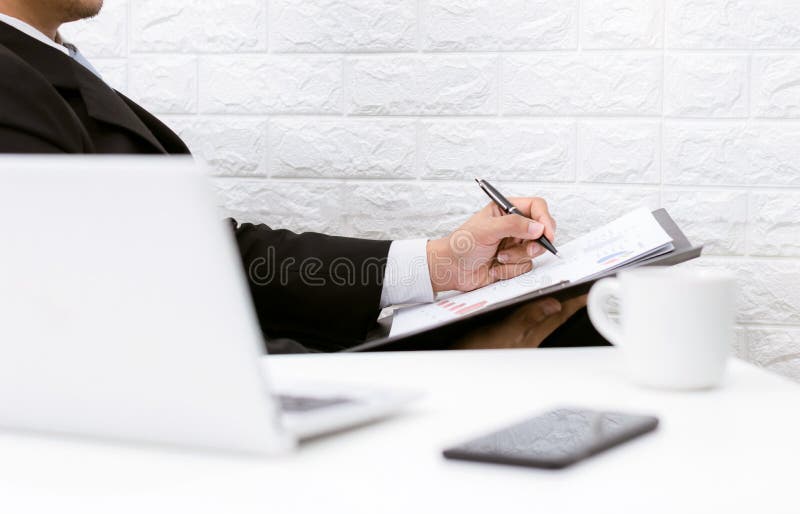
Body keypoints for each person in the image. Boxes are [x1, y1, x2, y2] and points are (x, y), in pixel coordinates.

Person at [0, 0, 600, 353]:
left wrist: (445, 262)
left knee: (579, 312)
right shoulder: (9, 75)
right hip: (182, 412)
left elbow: (204, 257)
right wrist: (413, 360)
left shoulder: (43, 66)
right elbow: (93, 317)